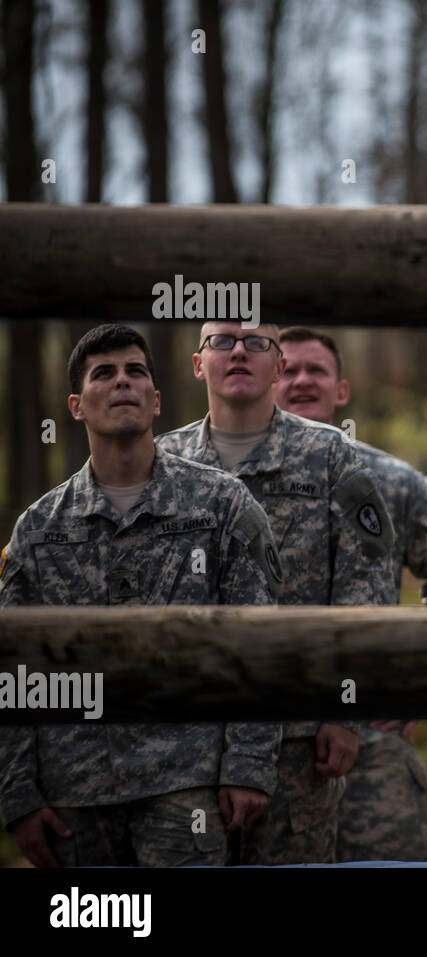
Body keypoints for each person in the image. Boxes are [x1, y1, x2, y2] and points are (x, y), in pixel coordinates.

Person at [0, 323, 282, 867]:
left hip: (185, 785)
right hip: (74, 795)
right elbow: (12, 671)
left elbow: (261, 642)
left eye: (136, 372)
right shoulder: (37, 530)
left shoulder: (222, 505)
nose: (122, 383)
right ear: (77, 406)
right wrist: (17, 795)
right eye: (104, 374)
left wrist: (247, 765)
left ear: (156, 400)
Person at [157, 321, 396, 865]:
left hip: (300, 737)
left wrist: (347, 709)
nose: (239, 352)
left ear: (279, 364)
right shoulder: (164, 463)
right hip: (185, 741)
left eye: (256, 342)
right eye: (222, 341)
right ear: (199, 364)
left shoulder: (331, 454)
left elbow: (370, 585)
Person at [273, 326, 427, 862]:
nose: (300, 381)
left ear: (341, 391)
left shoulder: (387, 480)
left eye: (315, 370)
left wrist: (418, 677)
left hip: (370, 739)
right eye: (288, 369)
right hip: (259, 746)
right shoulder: (219, 479)